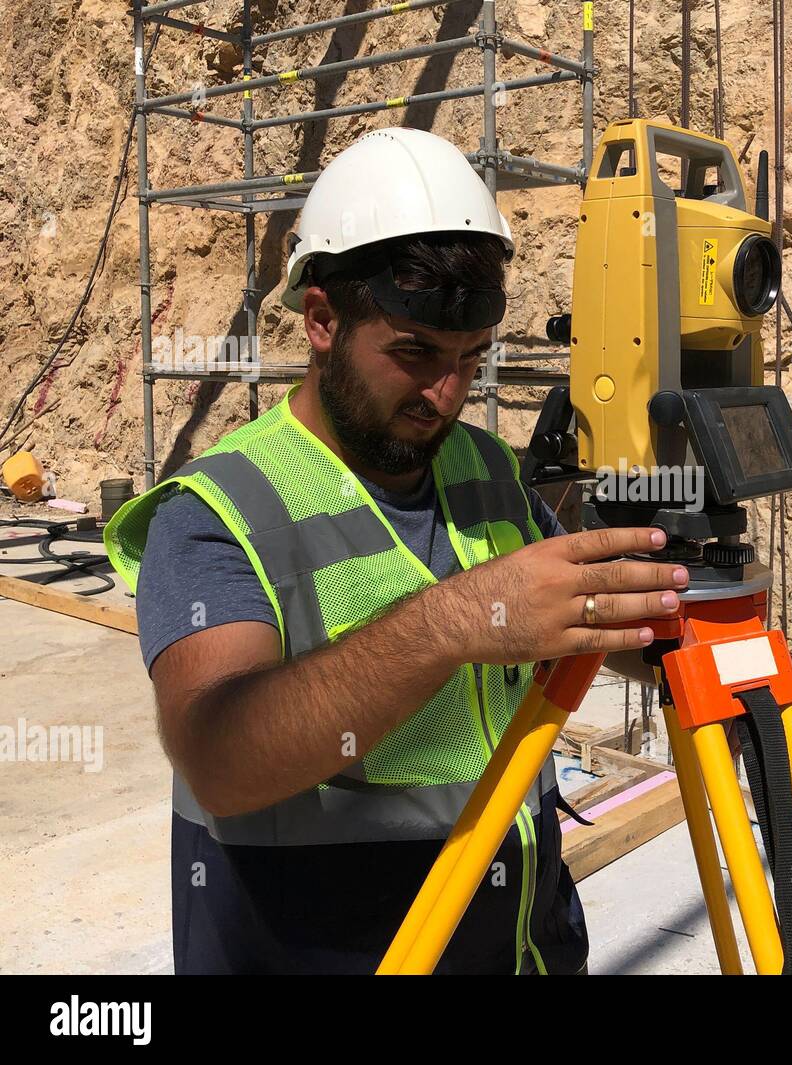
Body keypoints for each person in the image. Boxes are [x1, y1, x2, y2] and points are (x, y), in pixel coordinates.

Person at [105, 128, 687, 974]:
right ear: (321, 319)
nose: (445, 394)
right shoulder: (216, 513)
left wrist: (681, 604)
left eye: (469, 360)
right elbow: (219, 757)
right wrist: (453, 623)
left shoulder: (485, 467)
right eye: (413, 354)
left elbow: (591, 616)